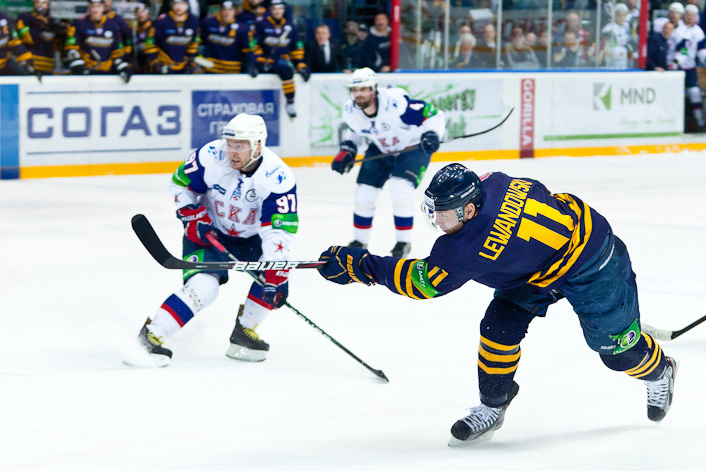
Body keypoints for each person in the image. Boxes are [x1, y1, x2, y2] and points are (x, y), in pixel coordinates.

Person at [317, 163, 678, 445]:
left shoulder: (464, 249)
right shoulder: (492, 181)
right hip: (536, 264)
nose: (436, 220)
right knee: (498, 329)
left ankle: (661, 369)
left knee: (617, 353)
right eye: (434, 210)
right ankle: (493, 406)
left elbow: (420, 283)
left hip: (593, 262)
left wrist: (358, 265)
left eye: (443, 213)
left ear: (469, 210)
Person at [128, 113, 298, 367]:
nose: (232, 151)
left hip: (253, 240)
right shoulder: (210, 156)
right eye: (230, 144)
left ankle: (245, 332)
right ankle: (150, 336)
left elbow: (278, 231)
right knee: (204, 288)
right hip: (208, 232)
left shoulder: (278, 176)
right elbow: (180, 185)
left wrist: (275, 270)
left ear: (258, 146)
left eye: (240, 145)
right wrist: (192, 216)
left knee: (277, 271)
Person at [331, 67, 446, 258]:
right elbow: (355, 130)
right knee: (363, 194)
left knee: (400, 188)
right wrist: (347, 150)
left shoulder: (395, 104)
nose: (359, 94)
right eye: (355, 90)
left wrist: (432, 134)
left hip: (412, 146)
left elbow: (433, 114)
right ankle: (359, 241)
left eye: (364, 89)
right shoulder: (350, 110)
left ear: (374, 89)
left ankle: (403, 243)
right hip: (381, 147)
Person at [253, 0, 310, 118]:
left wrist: (300, 65)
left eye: (280, 8)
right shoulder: (261, 25)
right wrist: (259, 61)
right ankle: (266, 106)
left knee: (286, 71)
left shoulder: (291, 27)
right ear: (270, 10)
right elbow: (255, 45)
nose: (277, 11)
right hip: (265, 63)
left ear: (283, 10)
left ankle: (290, 102)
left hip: (281, 62)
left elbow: (296, 49)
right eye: (274, 8)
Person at [64, 0, 132, 82]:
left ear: (103, 8)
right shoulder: (79, 24)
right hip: (86, 72)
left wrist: (121, 65)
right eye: (93, 6)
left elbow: (117, 50)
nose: (95, 10)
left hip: (107, 72)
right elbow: (71, 46)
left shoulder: (112, 25)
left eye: (98, 6)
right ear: (89, 7)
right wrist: (76, 63)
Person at [201, 0, 258, 76]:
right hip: (210, 69)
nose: (227, 13)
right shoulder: (208, 23)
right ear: (219, 10)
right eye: (224, 10)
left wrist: (251, 64)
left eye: (230, 10)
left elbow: (249, 49)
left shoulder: (243, 28)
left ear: (235, 11)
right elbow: (199, 40)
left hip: (233, 71)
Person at [673, 5, 706, 131]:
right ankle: (676, 124)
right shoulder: (678, 29)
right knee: (676, 94)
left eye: (693, 14)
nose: (690, 17)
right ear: (684, 15)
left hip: (690, 68)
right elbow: (683, 50)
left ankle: (700, 123)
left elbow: (701, 50)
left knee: (695, 93)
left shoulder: (698, 31)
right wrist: (677, 61)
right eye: (688, 14)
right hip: (677, 67)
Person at [16, 0, 67, 75]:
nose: (40, 5)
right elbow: (28, 41)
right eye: (38, 2)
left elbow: (60, 45)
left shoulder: (52, 22)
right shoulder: (25, 18)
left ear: (48, 5)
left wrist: (53, 27)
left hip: (48, 66)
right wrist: (38, 24)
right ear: (34, 3)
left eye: (44, 3)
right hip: (30, 65)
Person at [151, 0, 201, 73]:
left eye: (182, 4)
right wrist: (154, 60)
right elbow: (150, 42)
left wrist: (190, 60)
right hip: (164, 64)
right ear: (171, 5)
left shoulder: (193, 20)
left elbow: (195, 41)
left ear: (187, 5)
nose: (178, 7)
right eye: (176, 4)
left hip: (184, 64)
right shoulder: (162, 21)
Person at [0, 11, 35, 76]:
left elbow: (13, 41)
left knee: (24, 74)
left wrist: (25, 58)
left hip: (4, 63)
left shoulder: (4, 18)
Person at [132, 3, 156, 74]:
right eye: (138, 12)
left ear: (148, 14)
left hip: (153, 63)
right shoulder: (133, 31)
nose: (140, 14)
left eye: (143, 11)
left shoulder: (155, 27)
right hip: (139, 64)